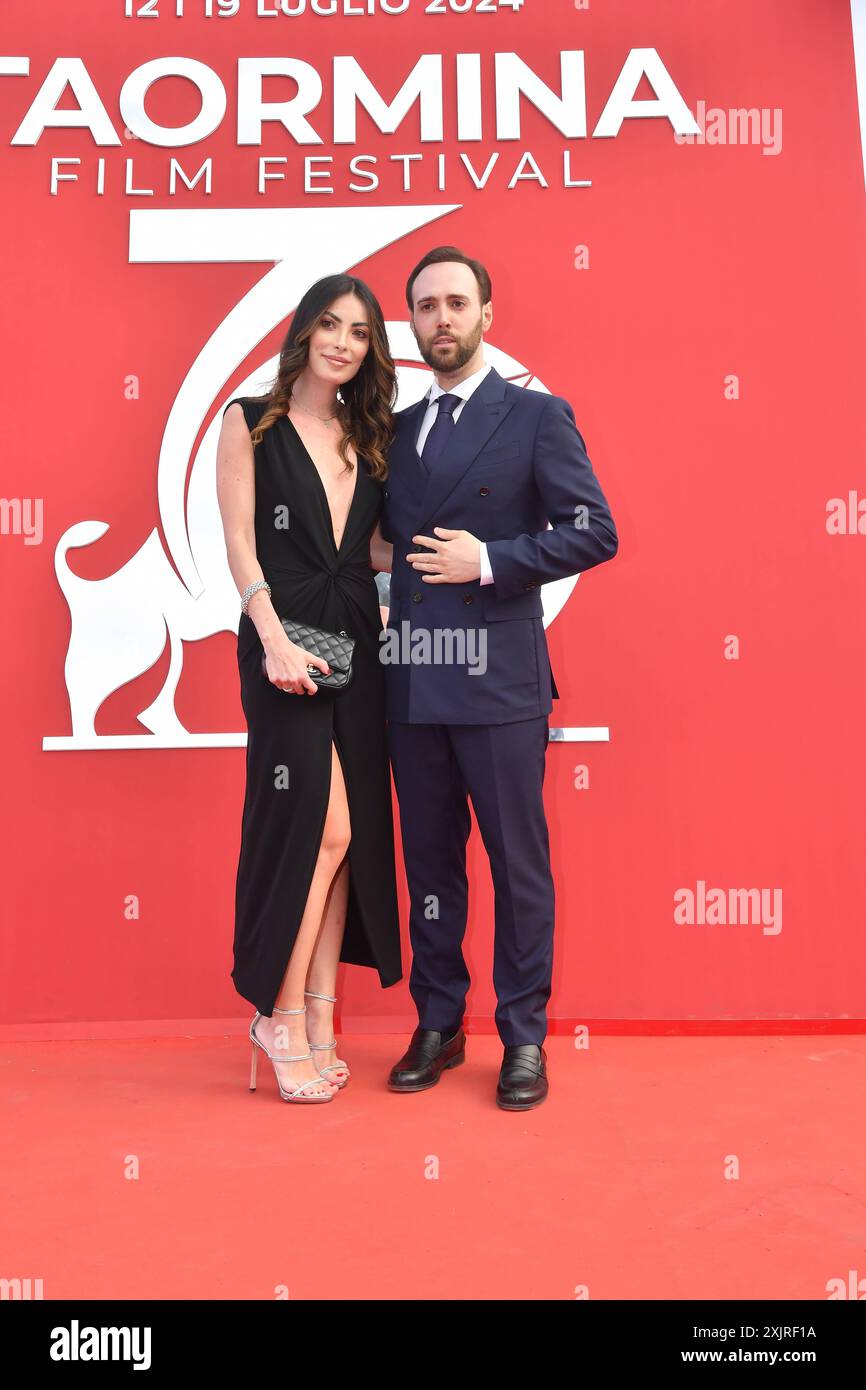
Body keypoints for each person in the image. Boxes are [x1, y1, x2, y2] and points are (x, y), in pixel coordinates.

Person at [381, 246, 618, 1111]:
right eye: (425, 306)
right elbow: (380, 546)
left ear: (486, 314)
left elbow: (596, 531)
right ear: (412, 321)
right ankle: (439, 1022)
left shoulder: (537, 416)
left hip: (501, 682)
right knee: (430, 863)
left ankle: (523, 1036)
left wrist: (493, 558)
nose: (440, 318)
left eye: (455, 303)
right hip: (411, 680)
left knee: (520, 863)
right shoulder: (397, 431)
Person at [216, 274, 402, 1104]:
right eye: (330, 324)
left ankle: (322, 1014)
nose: (343, 342)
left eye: (359, 332)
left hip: (358, 643)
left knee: (352, 833)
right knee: (318, 830)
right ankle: (279, 1015)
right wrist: (273, 642)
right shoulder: (249, 420)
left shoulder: (367, 434)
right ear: (304, 329)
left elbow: (365, 551)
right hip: (283, 642)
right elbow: (240, 545)